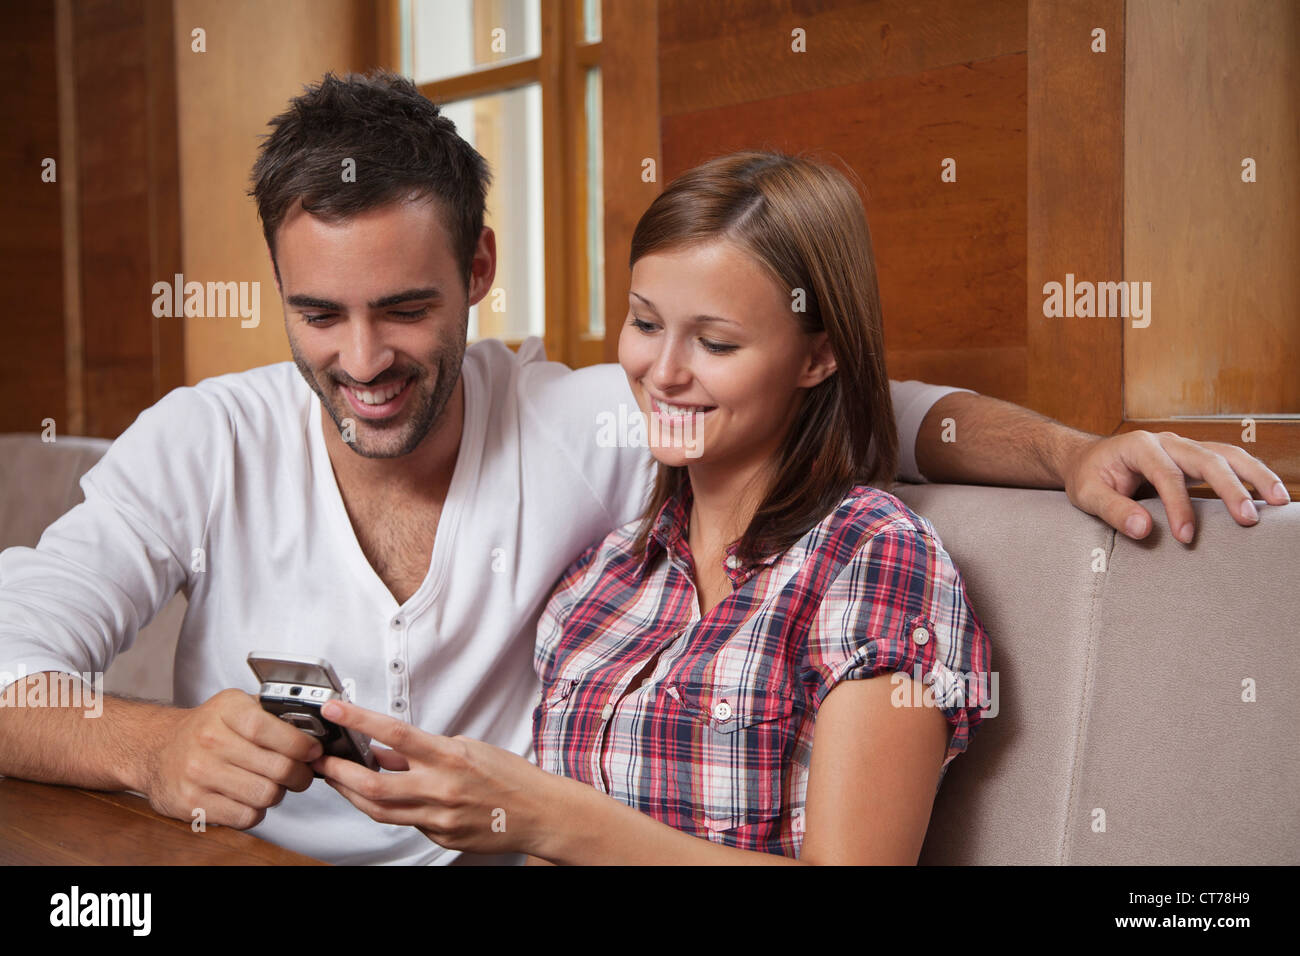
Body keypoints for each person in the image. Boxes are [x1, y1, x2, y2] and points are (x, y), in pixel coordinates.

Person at [0, 72, 1285, 866]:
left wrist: (1066, 448)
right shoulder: (203, 438)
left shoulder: (584, 424)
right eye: (318, 314)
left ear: (481, 271)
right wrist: (153, 747)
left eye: (403, 307)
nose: (363, 358)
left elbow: (857, 405)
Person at [313, 150, 992, 863]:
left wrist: (550, 818)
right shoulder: (602, 577)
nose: (661, 374)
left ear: (817, 357)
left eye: (716, 341)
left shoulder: (871, 557)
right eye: (644, 324)